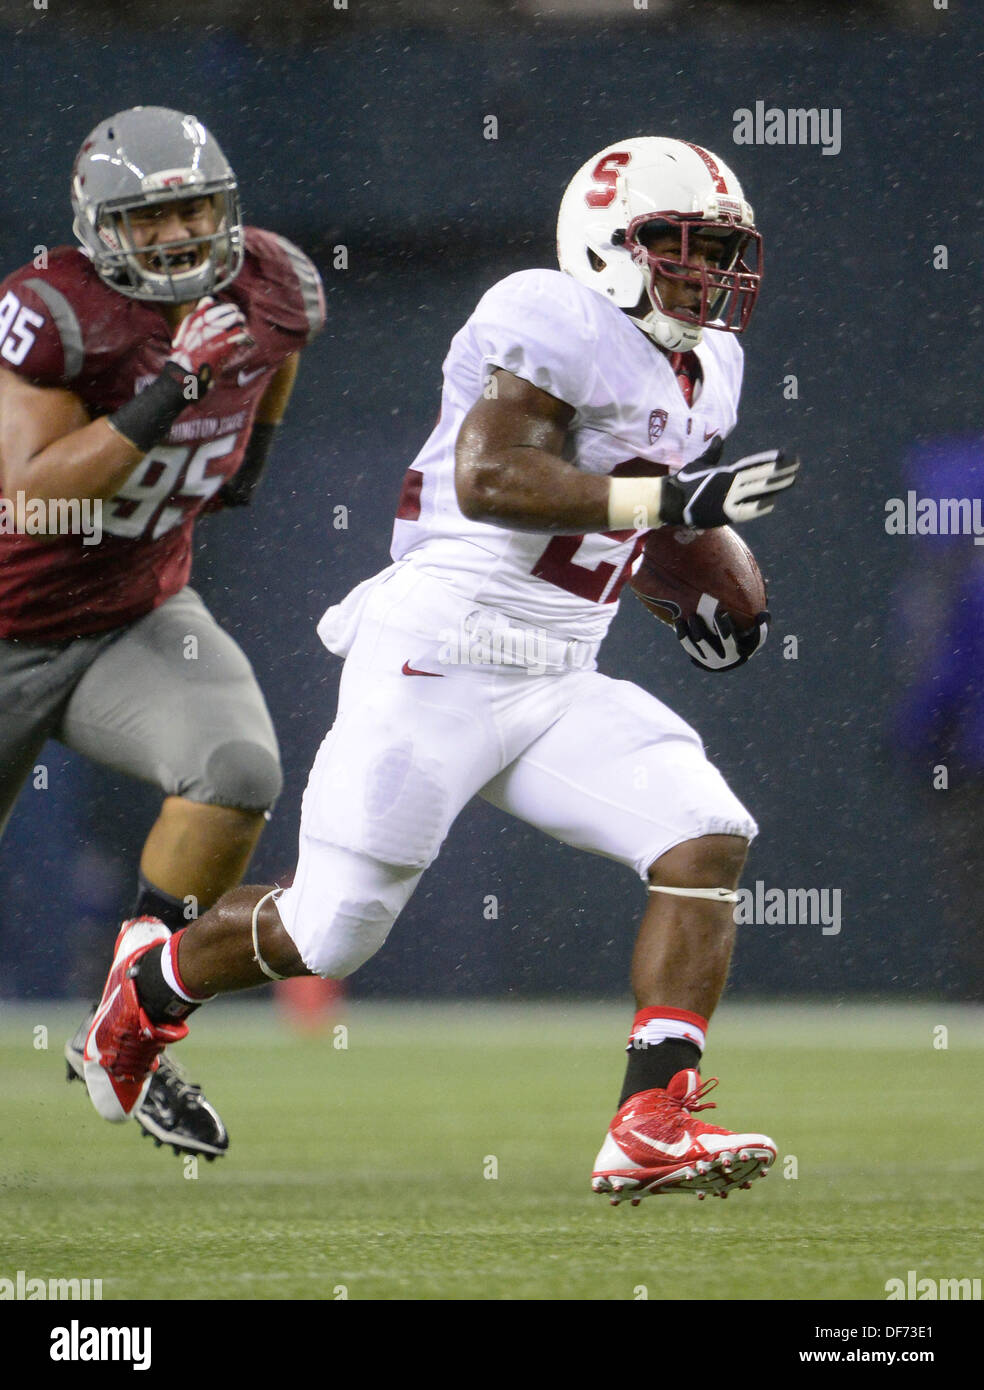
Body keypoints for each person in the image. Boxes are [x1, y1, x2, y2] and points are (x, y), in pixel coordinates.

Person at [81, 137, 797, 1202]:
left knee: (705, 832)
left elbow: (643, 507)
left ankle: (649, 1118)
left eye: (721, 251)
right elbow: (496, 474)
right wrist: (669, 508)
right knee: (332, 931)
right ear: (607, 245)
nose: (706, 275)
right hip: (441, 649)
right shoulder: (548, 313)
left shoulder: (714, 364)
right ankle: (143, 996)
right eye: (679, 247)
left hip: (560, 672)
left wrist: (697, 576)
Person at [0, 106, 325, 1160]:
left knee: (235, 768)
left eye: (196, 206)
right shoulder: (54, 310)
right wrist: (174, 386)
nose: (183, 233)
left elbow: (277, 350)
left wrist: (255, 449)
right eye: (153, 216)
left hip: (132, 615)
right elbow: (36, 491)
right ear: (102, 227)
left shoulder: (272, 284)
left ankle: (125, 1033)